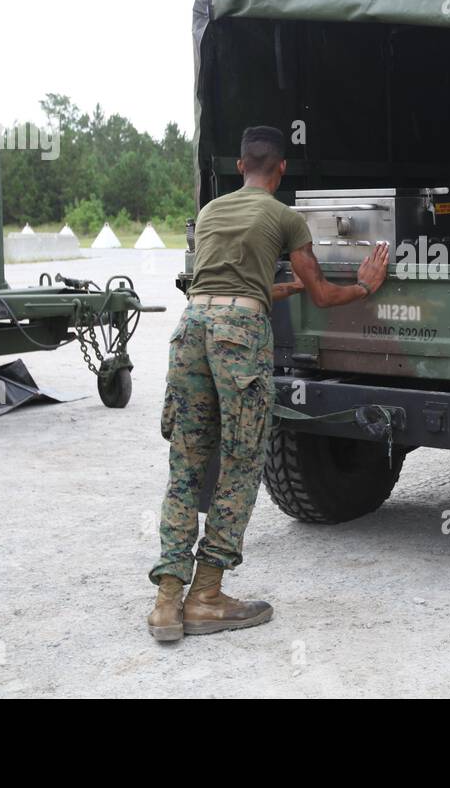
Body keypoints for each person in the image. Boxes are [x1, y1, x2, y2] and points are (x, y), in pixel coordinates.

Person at [147, 125, 388, 640]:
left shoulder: (212, 212)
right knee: (241, 460)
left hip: (191, 329)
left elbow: (223, 286)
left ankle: (167, 602)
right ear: (281, 169)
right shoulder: (284, 217)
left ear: (240, 166)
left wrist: (281, 288)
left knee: (186, 463)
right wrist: (363, 286)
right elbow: (322, 296)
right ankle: (206, 596)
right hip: (238, 337)